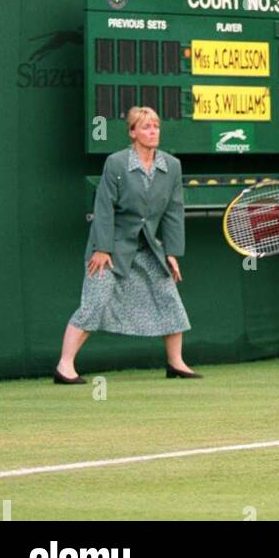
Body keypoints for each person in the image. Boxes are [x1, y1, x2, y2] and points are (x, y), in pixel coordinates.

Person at [54, 106, 199, 383]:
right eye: (146, 127)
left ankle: (176, 364)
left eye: (156, 126)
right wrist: (101, 248)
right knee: (93, 305)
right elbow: (104, 207)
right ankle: (64, 367)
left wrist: (171, 253)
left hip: (149, 248)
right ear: (132, 132)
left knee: (169, 297)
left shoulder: (172, 166)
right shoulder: (116, 163)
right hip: (110, 248)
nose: (153, 131)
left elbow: (173, 211)